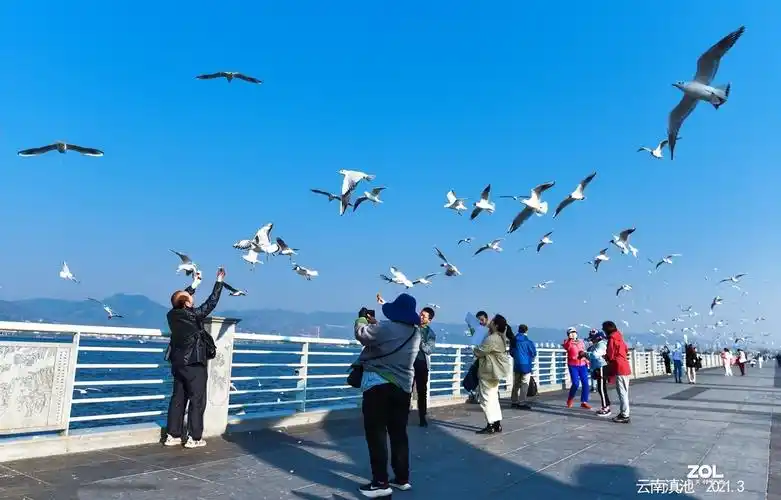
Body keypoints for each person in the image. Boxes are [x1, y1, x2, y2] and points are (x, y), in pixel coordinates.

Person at [354, 293, 421, 497]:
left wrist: (362, 320)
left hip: (378, 386)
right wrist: (376, 323)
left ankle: (380, 483)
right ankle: (402, 479)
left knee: (376, 434)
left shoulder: (385, 327)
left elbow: (362, 335)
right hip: (403, 388)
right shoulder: (415, 333)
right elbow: (390, 337)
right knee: (398, 434)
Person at [164, 267, 225, 449]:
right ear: (188, 304)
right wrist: (219, 282)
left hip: (177, 362)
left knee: (178, 399)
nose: (193, 299)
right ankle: (194, 437)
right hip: (194, 362)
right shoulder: (193, 315)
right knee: (197, 399)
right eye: (191, 298)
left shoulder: (171, 315)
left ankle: (173, 435)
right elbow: (211, 303)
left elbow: (180, 300)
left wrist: (194, 284)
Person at [473, 314, 512, 434]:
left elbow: (480, 352)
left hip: (488, 372)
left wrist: (475, 348)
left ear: (495, 325)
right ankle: (497, 423)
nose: (490, 322)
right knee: (493, 398)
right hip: (495, 373)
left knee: (486, 399)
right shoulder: (501, 337)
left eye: (492, 321)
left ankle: (490, 424)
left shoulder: (492, 338)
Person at [603, 320, 631, 424]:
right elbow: (626, 350)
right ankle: (624, 413)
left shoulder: (612, 339)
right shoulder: (620, 338)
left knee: (622, 393)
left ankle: (625, 415)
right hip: (625, 366)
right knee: (624, 391)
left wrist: (606, 357)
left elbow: (610, 354)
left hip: (619, 367)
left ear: (607, 329)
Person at [413, 306, 436, 427]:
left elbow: (429, 349)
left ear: (429, 320)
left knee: (422, 391)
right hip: (409, 363)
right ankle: (402, 415)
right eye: (420, 314)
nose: (421, 317)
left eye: (424, 316)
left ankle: (422, 417)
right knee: (405, 390)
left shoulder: (430, 333)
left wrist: (420, 341)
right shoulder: (412, 326)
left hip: (421, 363)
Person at [508, 324, 537, 410]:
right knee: (524, 384)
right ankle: (522, 402)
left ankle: (514, 401)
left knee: (516, 384)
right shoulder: (528, 342)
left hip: (517, 365)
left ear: (518, 330)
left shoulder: (514, 341)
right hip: (526, 366)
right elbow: (533, 353)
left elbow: (511, 352)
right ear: (526, 331)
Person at [563, 327, 590, 409]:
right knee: (575, 383)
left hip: (583, 364)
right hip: (573, 365)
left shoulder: (581, 341)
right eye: (571, 332)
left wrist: (587, 361)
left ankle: (584, 401)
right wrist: (570, 339)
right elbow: (566, 347)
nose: (573, 333)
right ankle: (570, 399)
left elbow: (585, 350)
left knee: (585, 383)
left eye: (574, 332)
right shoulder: (567, 342)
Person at [587, 330, 611, 416]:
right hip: (598, 367)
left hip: (601, 367)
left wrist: (584, 354)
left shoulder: (601, 344)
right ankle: (606, 406)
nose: (591, 341)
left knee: (601, 388)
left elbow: (594, 355)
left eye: (592, 339)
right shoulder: (597, 344)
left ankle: (606, 408)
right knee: (601, 388)